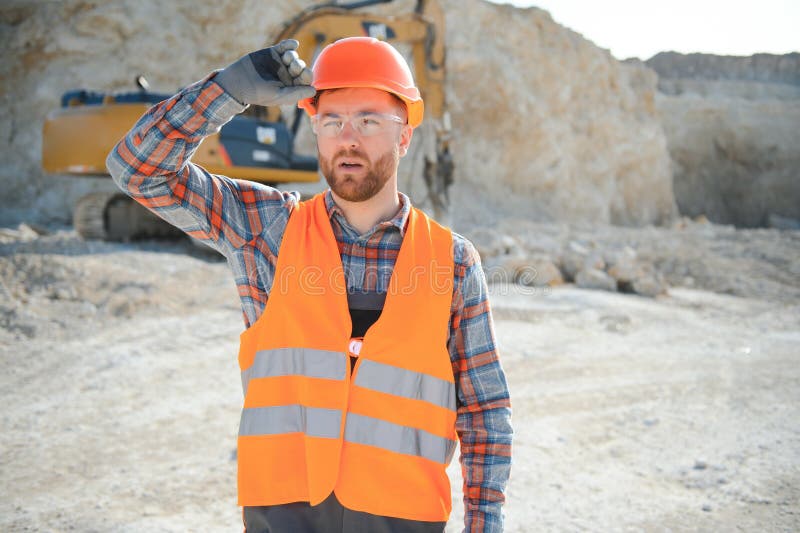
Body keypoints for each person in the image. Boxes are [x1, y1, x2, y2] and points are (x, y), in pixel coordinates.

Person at [107, 37, 512, 533]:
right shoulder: (266, 230)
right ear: (316, 131)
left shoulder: (452, 261)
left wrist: (484, 522)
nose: (348, 139)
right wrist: (228, 91)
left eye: (369, 121)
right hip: (283, 512)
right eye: (332, 121)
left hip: (403, 517)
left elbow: (484, 411)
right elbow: (137, 170)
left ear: (405, 135)